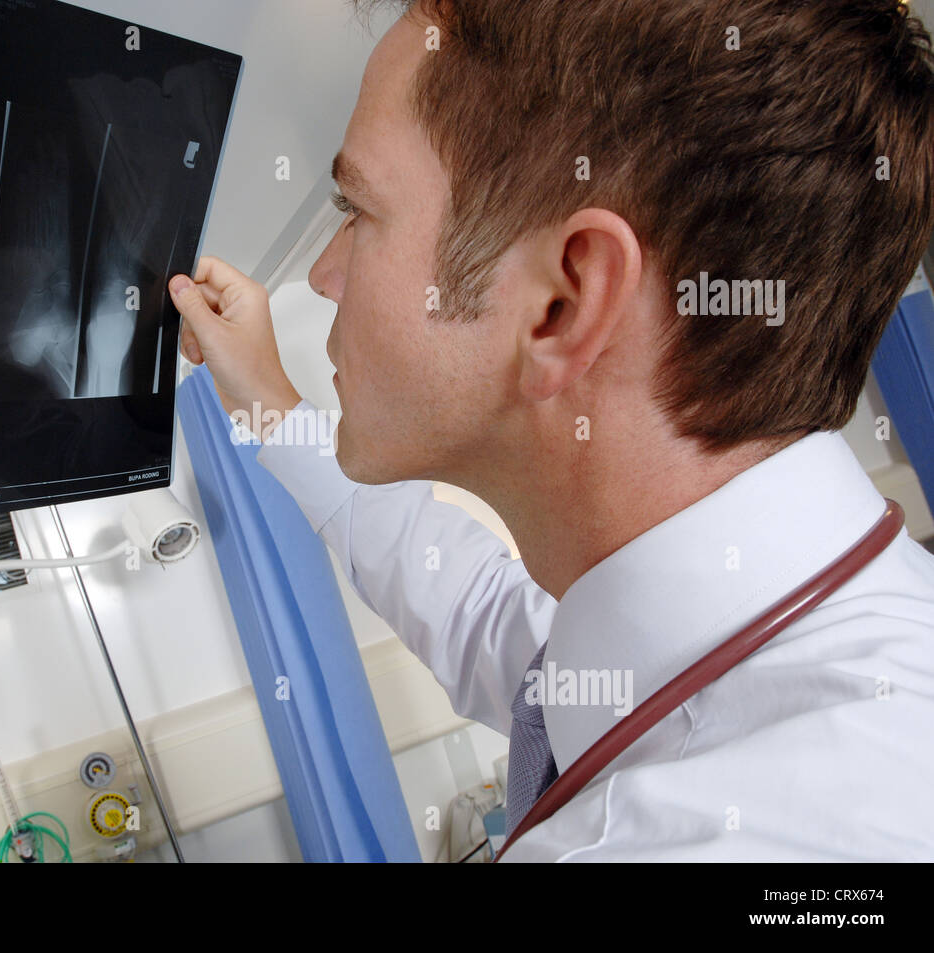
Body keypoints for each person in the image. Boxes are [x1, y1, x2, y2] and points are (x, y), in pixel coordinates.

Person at [166, 0, 934, 859]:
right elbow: (489, 620)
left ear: (564, 303)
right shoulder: (799, 642)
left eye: (359, 209)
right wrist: (268, 401)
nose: (322, 271)